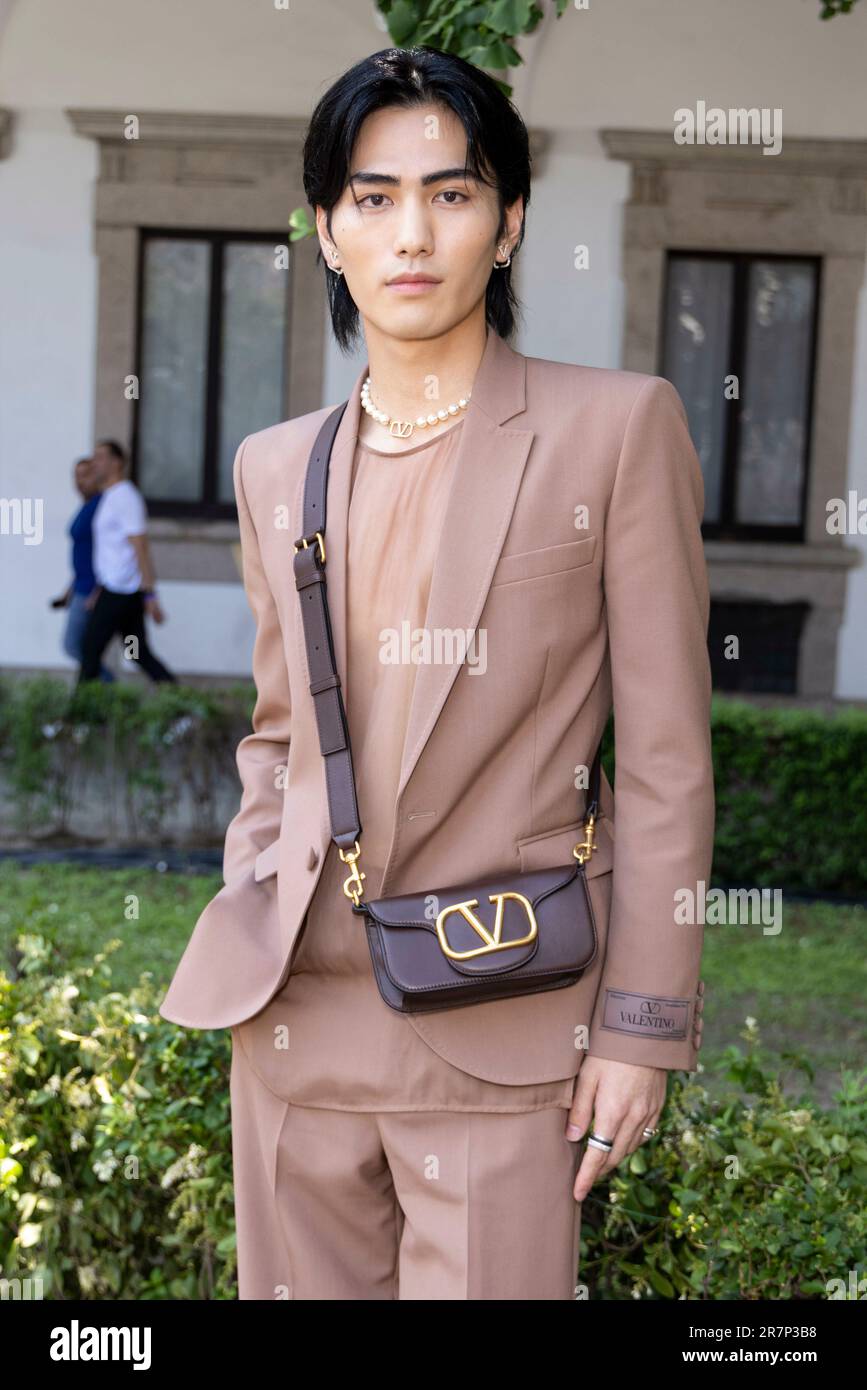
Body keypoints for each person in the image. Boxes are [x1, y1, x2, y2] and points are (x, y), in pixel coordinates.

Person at [159, 45, 714, 1301]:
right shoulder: (273, 466)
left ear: (509, 223)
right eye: (374, 197)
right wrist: (258, 878)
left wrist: (638, 1027)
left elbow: (670, 760)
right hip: (296, 1026)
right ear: (325, 229)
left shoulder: (614, 429)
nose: (413, 233)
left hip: (503, 1013)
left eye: (452, 195)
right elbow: (279, 731)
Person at [77, 439, 176, 686]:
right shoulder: (109, 497)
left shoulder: (126, 497)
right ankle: (180, 706)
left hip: (121, 589)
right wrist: (98, 590)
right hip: (114, 587)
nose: (94, 463)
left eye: (100, 457)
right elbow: (111, 552)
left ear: (116, 463)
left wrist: (150, 594)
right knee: (139, 652)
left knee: (89, 648)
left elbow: (140, 545)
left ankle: (81, 719)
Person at [51, 455, 115, 682]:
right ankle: (88, 702)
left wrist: (99, 590)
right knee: (84, 648)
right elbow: (83, 556)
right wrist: (67, 593)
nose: (80, 481)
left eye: (86, 475)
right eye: (76, 476)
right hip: (80, 587)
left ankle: (109, 685)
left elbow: (107, 552)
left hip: (91, 590)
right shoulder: (86, 506)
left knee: (75, 646)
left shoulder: (102, 506)